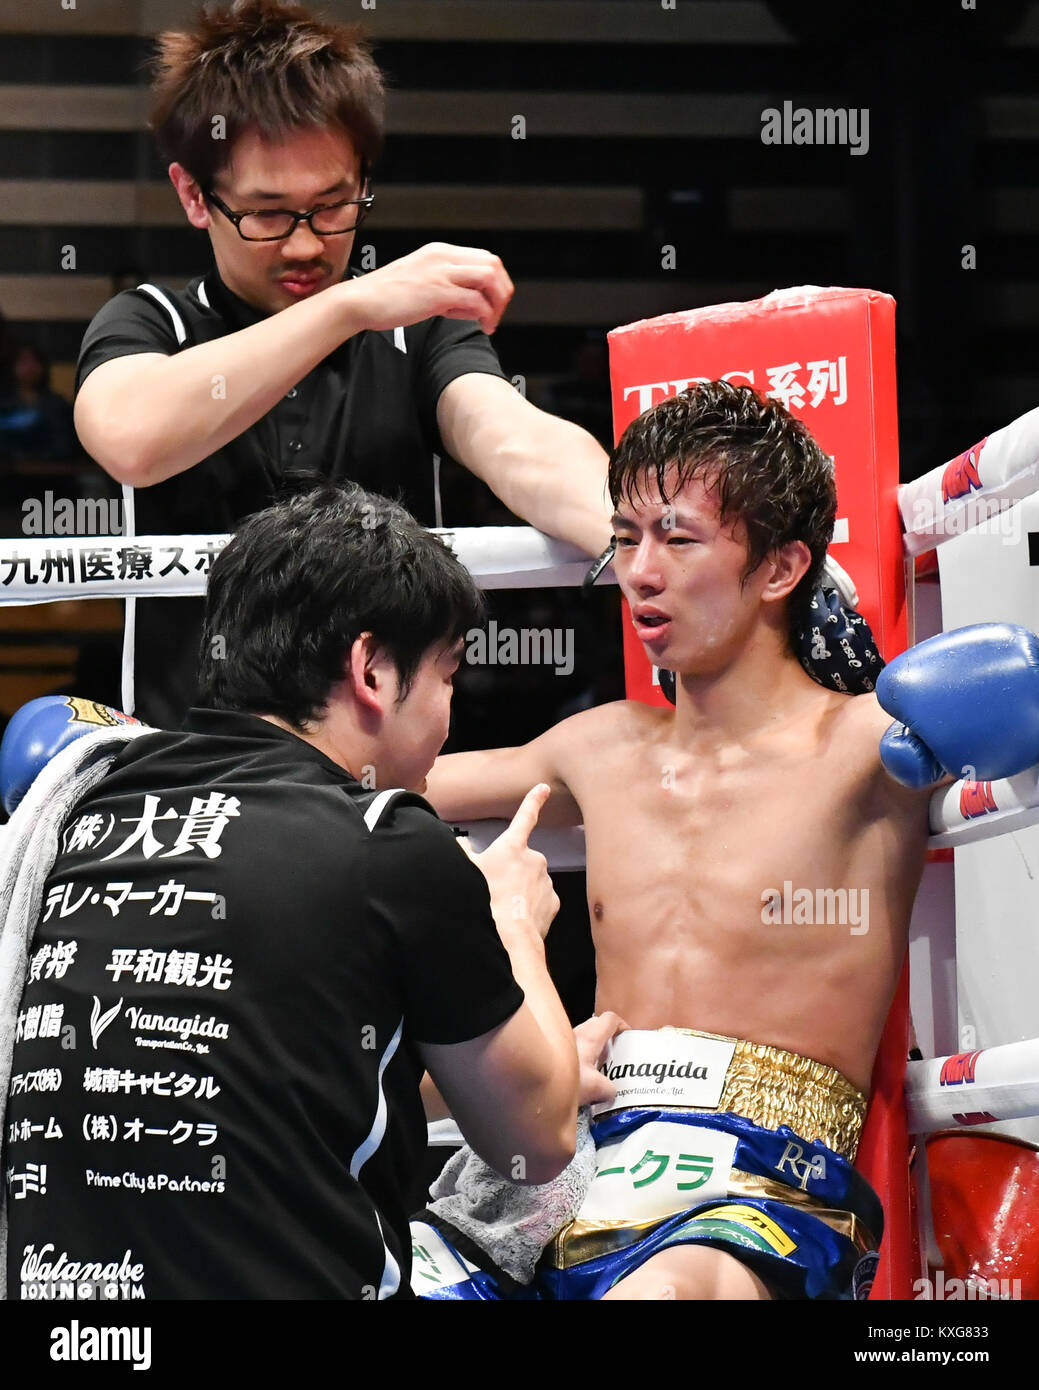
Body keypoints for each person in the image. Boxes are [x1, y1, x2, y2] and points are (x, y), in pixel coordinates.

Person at [417, 380, 1039, 1301]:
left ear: (781, 569)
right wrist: (151, 754)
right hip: (573, 1147)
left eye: (676, 537)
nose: (637, 570)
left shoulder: (867, 742)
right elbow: (388, 781)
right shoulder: (599, 745)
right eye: (624, 539)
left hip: (756, 1177)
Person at [2, 482, 619, 1300]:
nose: (448, 712)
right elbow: (535, 1142)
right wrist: (512, 922)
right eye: (444, 676)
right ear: (370, 670)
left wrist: (519, 1064)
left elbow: (285, 1080)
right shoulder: (392, 841)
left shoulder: (87, 806)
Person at [72, 0, 612, 729]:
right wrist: (345, 307)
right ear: (194, 195)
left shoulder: (416, 336)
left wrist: (636, 535)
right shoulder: (153, 322)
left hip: (385, 794)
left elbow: (515, 439)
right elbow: (130, 438)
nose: (306, 245)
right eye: (267, 213)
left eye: (334, 205)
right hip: (193, 787)